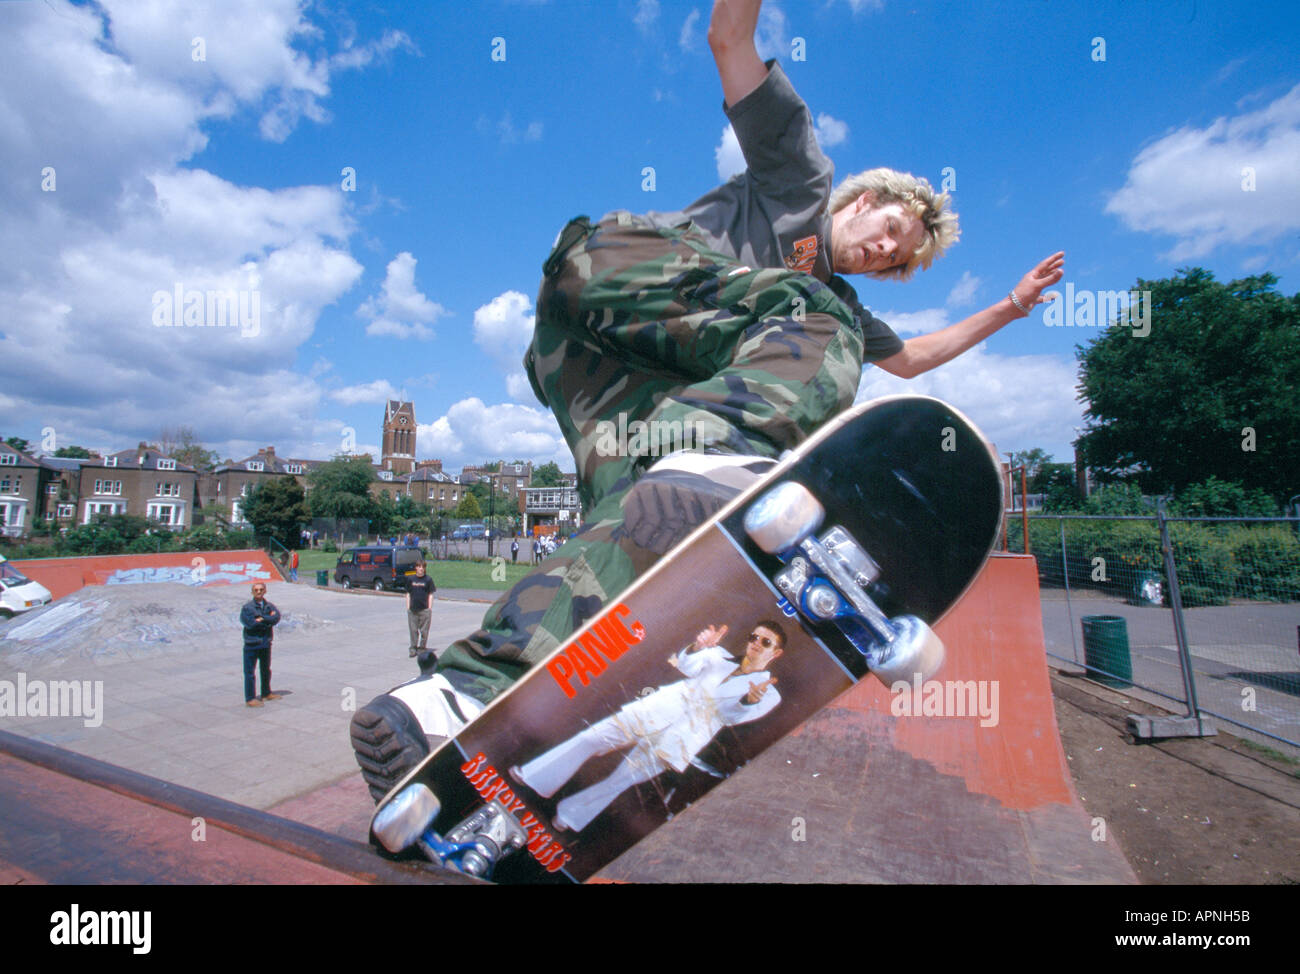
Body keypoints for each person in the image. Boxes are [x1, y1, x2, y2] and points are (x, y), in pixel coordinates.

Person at [352, 0, 1062, 796]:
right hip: (614, 278)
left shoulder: (840, 310)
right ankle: (725, 455)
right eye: (892, 229)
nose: (887, 250)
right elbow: (729, 34)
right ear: (862, 201)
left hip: (611, 393)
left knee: (638, 542)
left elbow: (918, 359)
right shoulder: (802, 179)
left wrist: (1009, 306)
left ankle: (455, 698)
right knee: (821, 325)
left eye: (898, 259)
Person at [510, 620, 784, 832]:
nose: (757, 643)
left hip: (683, 737)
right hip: (658, 709)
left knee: (621, 780)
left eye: (766, 642)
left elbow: (732, 718)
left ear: (777, 652)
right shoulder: (719, 655)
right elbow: (688, 666)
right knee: (591, 738)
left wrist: (748, 701)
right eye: (754, 637)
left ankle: (569, 816)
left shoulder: (769, 693)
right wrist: (698, 648)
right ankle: (535, 776)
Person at [240, 582, 281, 707]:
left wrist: (261, 618)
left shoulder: (269, 606)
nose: (259, 592)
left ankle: (266, 693)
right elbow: (250, 624)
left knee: (265, 670)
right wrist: (267, 619)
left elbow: (276, 618)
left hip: (265, 642)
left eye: (261, 590)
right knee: (249, 672)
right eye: (256, 590)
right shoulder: (247, 608)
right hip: (252, 643)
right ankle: (250, 698)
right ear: (252, 592)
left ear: (265, 591)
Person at [405, 561, 436, 658]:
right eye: (419, 567)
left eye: (423, 567)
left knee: (424, 631)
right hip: (413, 610)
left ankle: (422, 648)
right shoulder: (411, 579)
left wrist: (429, 608)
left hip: (424, 610)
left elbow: (431, 594)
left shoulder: (428, 580)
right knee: (413, 630)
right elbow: (408, 594)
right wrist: (408, 607)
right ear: (416, 568)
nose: (421, 569)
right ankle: (413, 649)